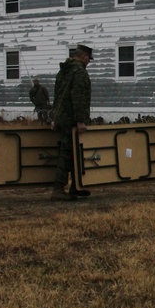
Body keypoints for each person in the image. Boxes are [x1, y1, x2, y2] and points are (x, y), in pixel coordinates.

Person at [51, 44, 93, 201]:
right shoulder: (79, 72)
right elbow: (79, 97)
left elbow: (57, 96)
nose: (88, 62)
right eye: (89, 59)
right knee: (68, 155)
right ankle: (59, 189)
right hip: (71, 120)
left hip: (62, 117)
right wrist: (81, 120)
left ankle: (77, 186)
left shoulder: (63, 71)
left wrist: (54, 117)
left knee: (74, 154)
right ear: (83, 57)